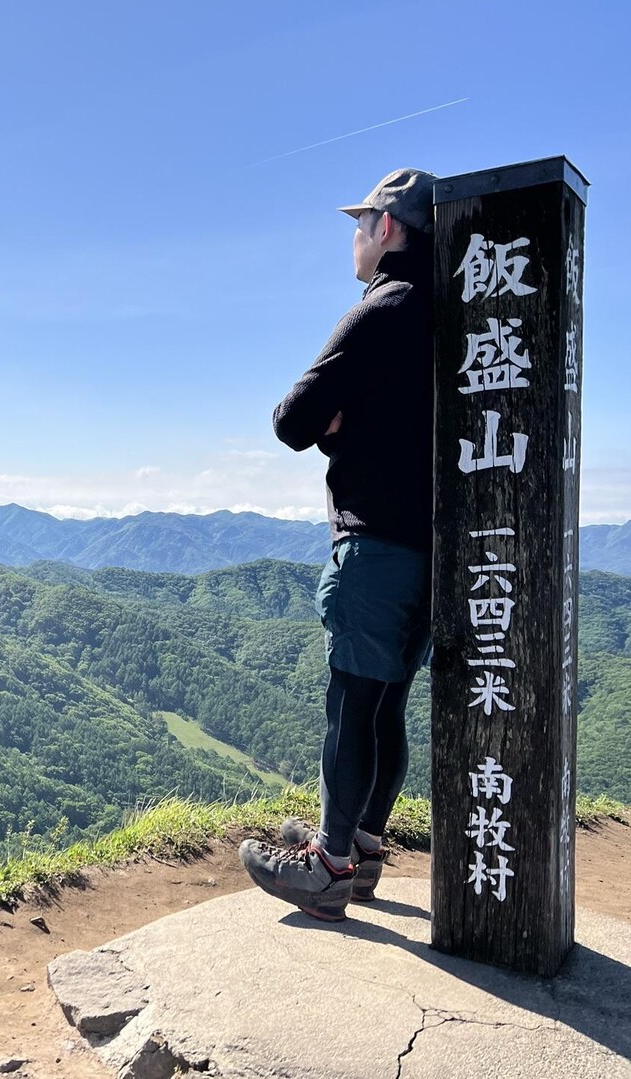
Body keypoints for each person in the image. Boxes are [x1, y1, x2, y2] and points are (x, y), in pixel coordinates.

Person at [239, 168, 438, 921]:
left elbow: (291, 418)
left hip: (374, 547)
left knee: (350, 703)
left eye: (360, 225)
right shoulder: (446, 313)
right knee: (387, 703)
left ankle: (325, 866)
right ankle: (360, 845)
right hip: (431, 550)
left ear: (386, 229)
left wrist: (335, 421)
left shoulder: (380, 309)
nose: (353, 239)